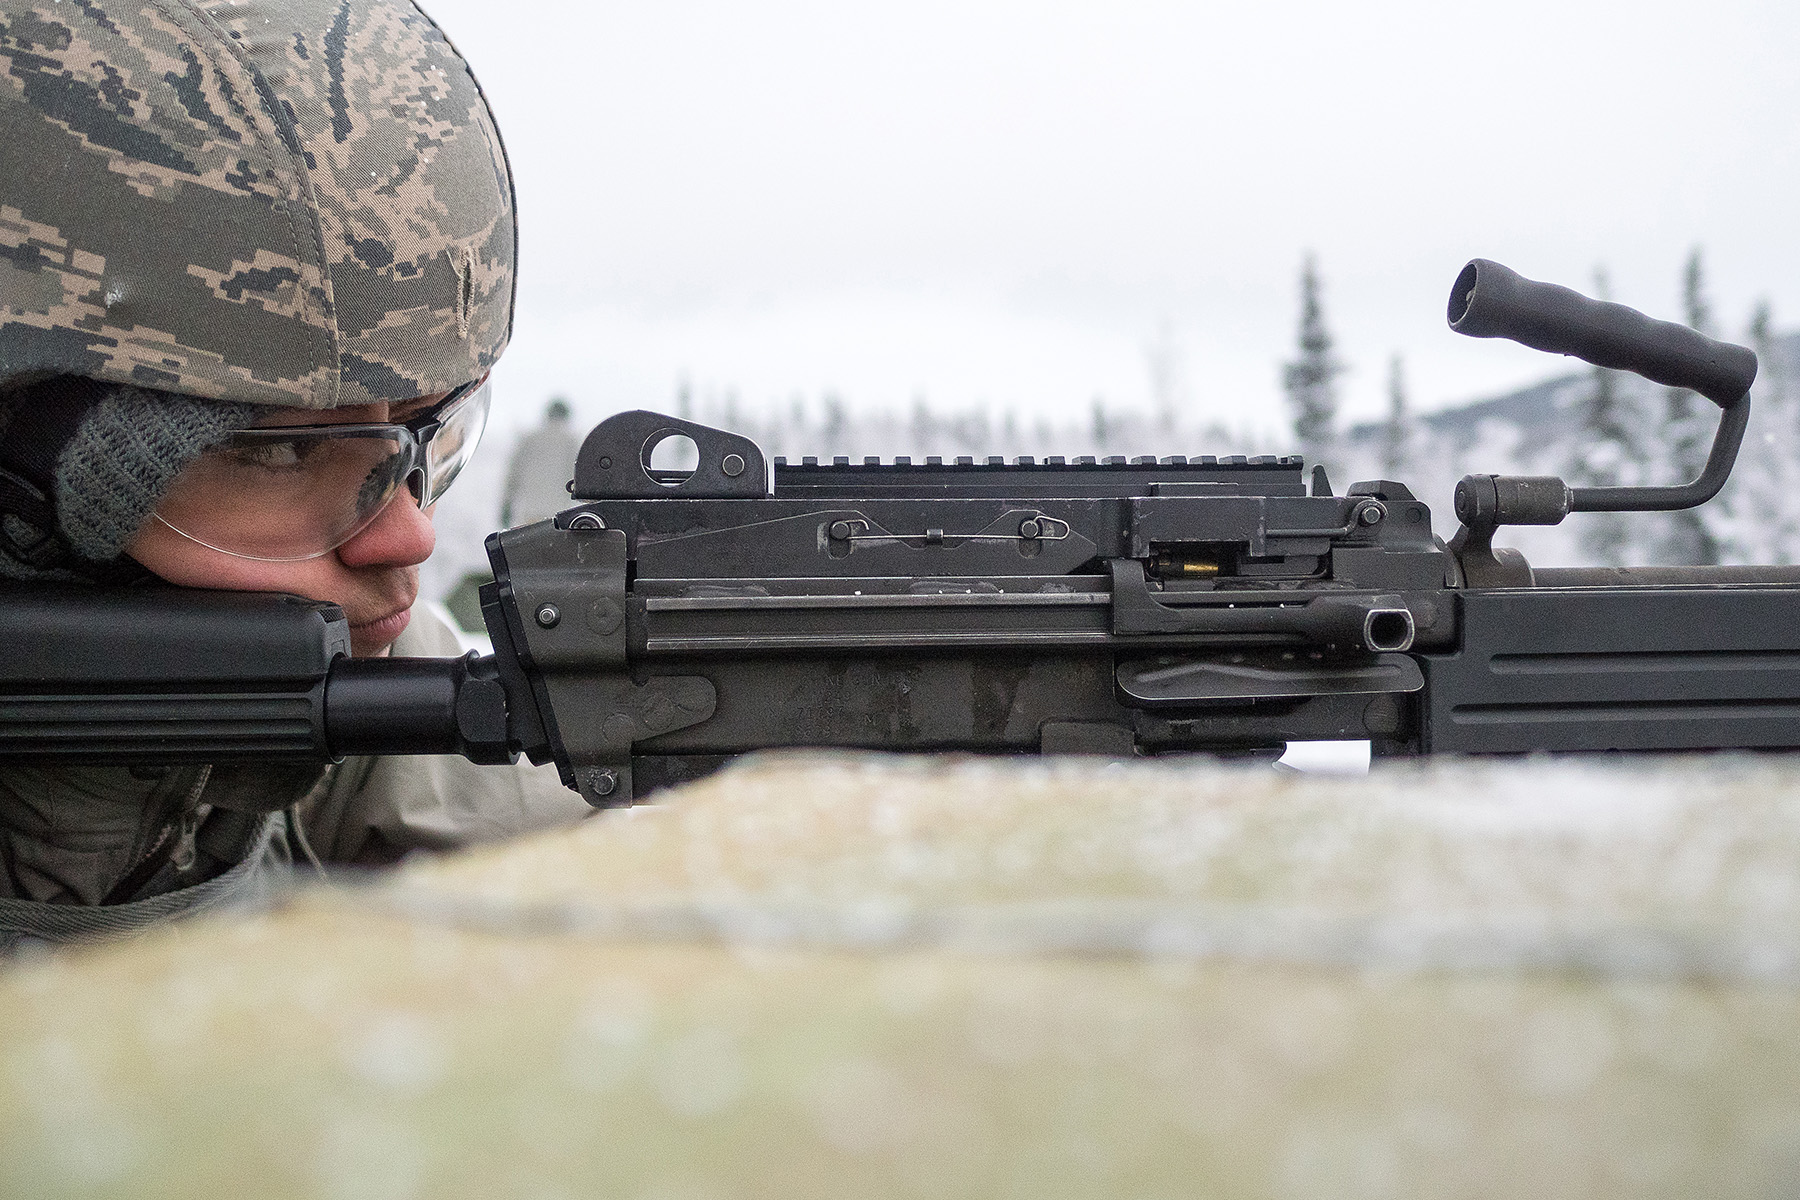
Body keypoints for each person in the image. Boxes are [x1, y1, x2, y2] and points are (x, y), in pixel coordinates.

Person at [0, 0, 590, 947]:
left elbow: (567, 842)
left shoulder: (365, 694)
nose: (410, 536)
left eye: (430, 436)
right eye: (280, 450)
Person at [502, 397, 579, 527]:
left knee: (530, 546)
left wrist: (506, 506)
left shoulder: (529, 439)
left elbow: (513, 475)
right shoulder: (571, 442)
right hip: (558, 514)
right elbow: (575, 477)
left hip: (529, 512)